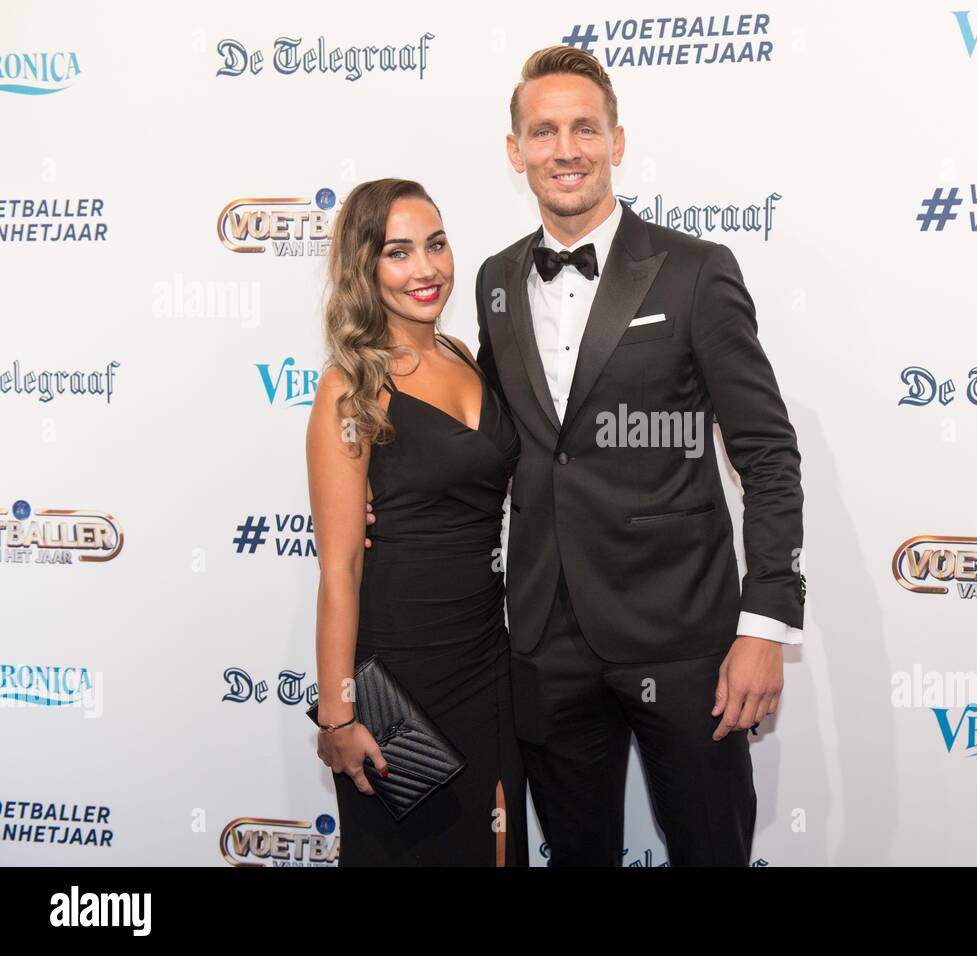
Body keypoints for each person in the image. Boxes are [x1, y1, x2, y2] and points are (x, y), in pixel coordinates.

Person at [368, 46, 805, 866]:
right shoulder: (496, 281)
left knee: (712, 851)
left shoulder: (696, 271)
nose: (564, 150)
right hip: (542, 641)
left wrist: (764, 625)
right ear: (515, 152)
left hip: (684, 640)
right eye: (543, 132)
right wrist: (383, 499)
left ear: (617, 141)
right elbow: (494, 443)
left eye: (582, 129)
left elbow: (770, 455)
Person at [307, 178, 526, 866]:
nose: (426, 269)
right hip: (400, 672)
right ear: (364, 269)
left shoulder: (464, 355)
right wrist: (339, 712)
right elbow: (340, 568)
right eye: (398, 253)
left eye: (435, 244)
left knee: (495, 845)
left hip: (488, 656)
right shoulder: (350, 386)